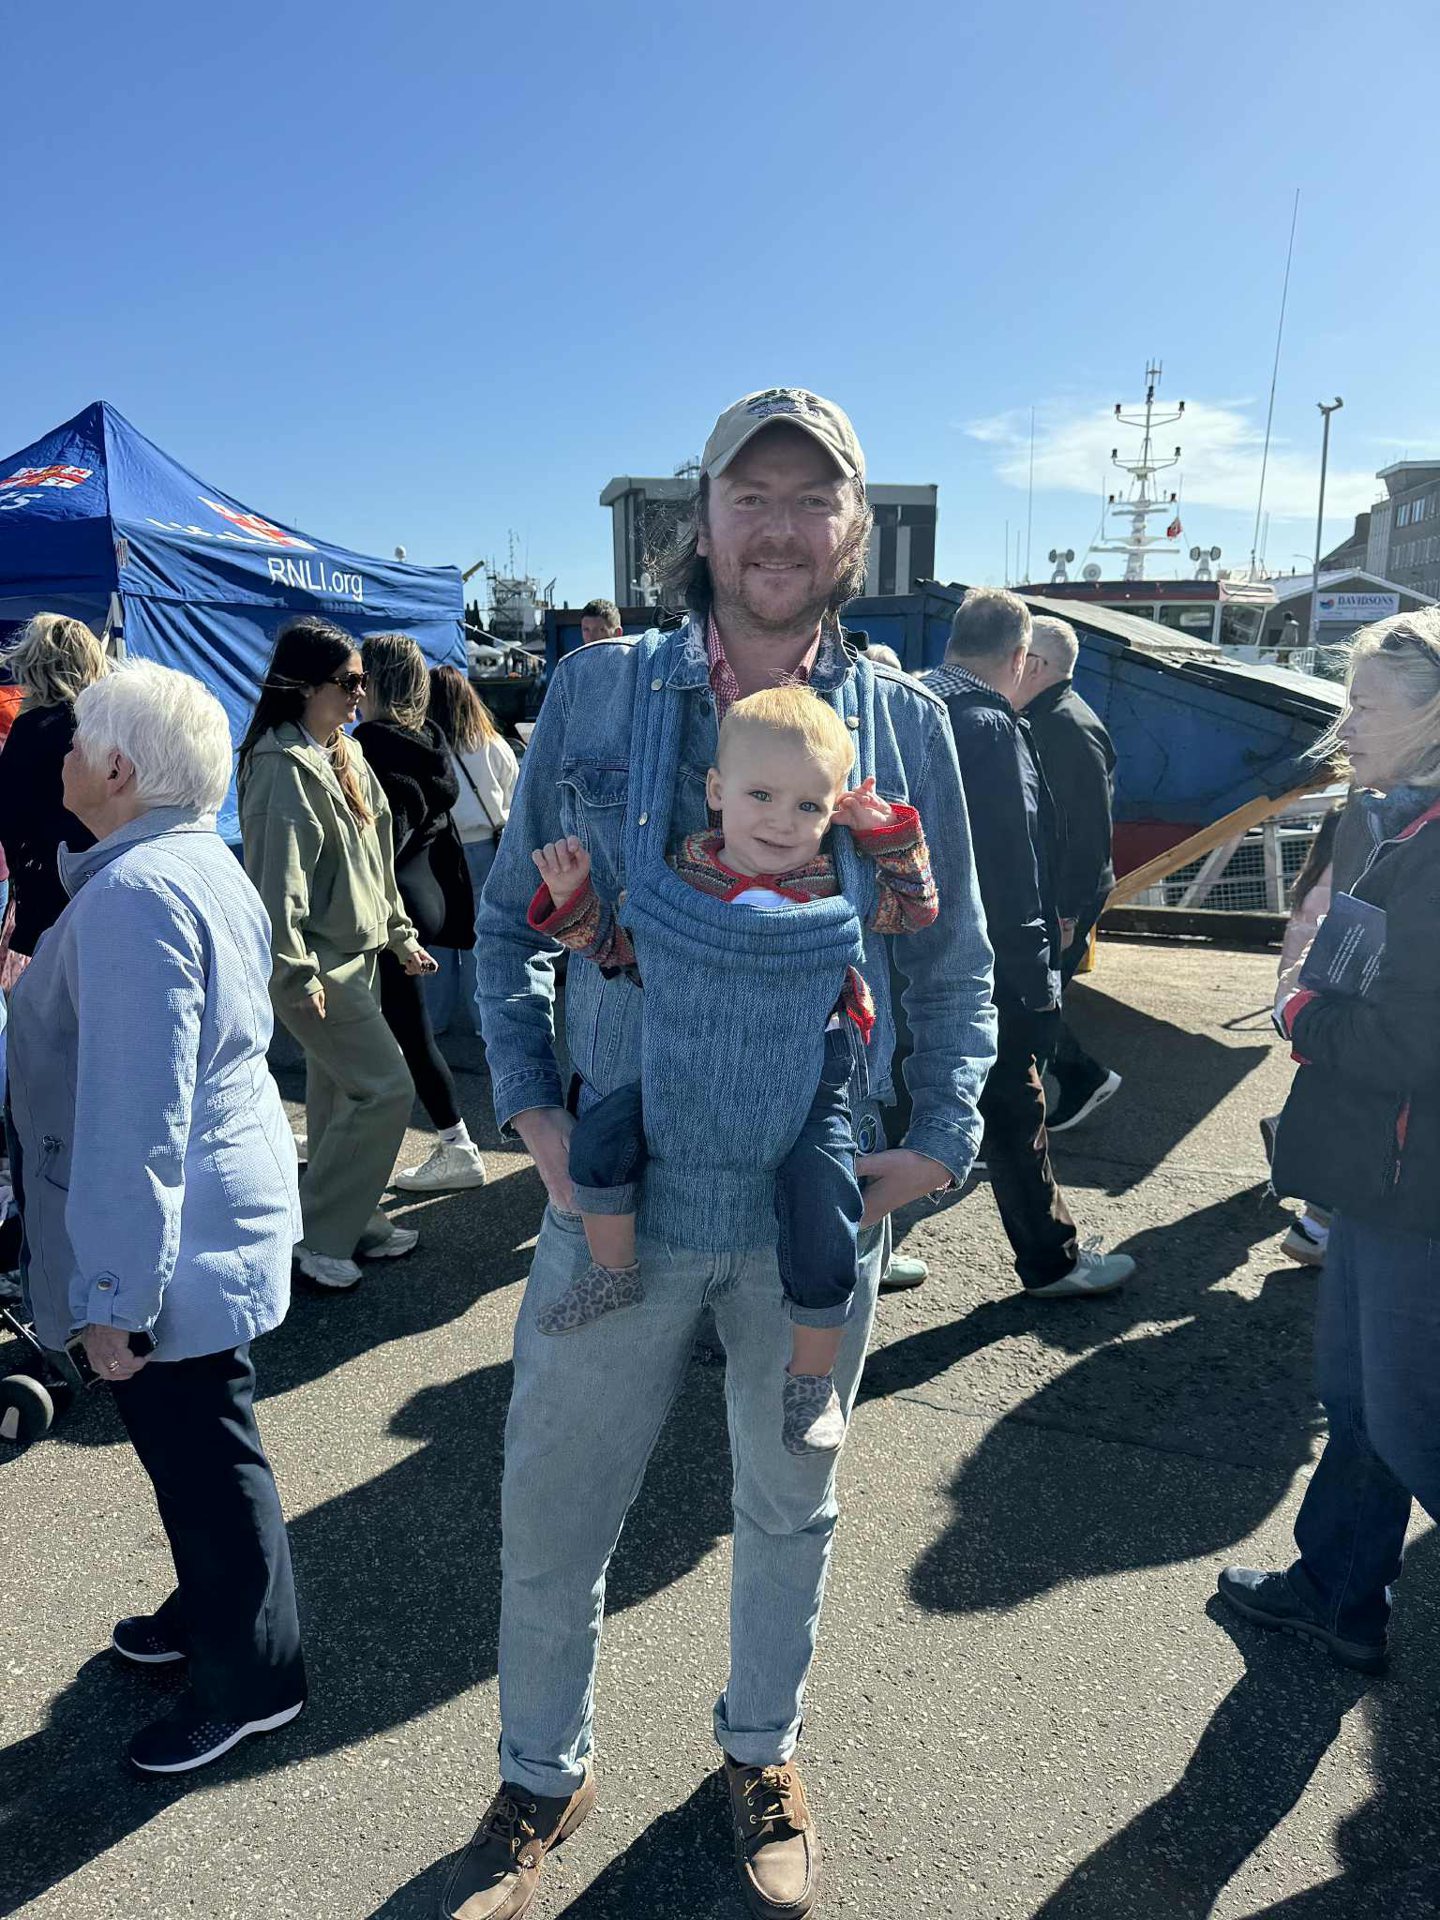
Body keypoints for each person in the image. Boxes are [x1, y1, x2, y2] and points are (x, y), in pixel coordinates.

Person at [447, 387, 996, 1920]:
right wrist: (538, 1119)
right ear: (703, 521)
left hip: (814, 1204)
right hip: (616, 1193)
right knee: (553, 1507)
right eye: (747, 493)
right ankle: (539, 1775)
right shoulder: (603, 696)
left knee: (790, 1504)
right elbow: (509, 931)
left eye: (809, 499)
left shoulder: (909, 725)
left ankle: (762, 1753)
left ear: (852, 532)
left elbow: (955, 962)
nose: (776, 524)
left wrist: (940, 1141)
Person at [8, 661, 306, 1772]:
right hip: (208, 1224)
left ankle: (254, 1678)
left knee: (208, 1460)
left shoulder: (135, 895)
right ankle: (213, 1614)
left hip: (169, 1251)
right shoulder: (190, 862)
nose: (64, 757)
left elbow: (134, 1112)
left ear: (122, 769)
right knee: (199, 1453)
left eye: (79, 742)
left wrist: (113, 1300)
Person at [527, 685, 938, 1456]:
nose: (784, 822)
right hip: (688, 1062)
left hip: (804, 1074)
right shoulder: (680, 876)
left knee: (826, 1212)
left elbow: (916, 909)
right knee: (600, 1140)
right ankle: (614, 1268)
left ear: (834, 811)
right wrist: (572, 896)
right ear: (715, 792)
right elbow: (616, 951)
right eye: (760, 795)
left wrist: (886, 834)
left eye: (811, 807)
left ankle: (811, 1379)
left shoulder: (837, 881)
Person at [1219, 609, 1440, 1674]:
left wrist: (1301, 1011)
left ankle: (1339, 1588)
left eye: (1363, 704)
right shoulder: (1400, 819)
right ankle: (1336, 1591)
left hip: (1417, 1184)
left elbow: (1410, 1040)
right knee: (1360, 1399)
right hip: (1382, 1172)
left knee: (1409, 1420)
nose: (1344, 723)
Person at [925, 587, 1135, 1300]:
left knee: (899, 1100)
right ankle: (1052, 1260)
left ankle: (861, 1242)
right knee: (1014, 1103)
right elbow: (1014, 864)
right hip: (978, 957)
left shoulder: (908, 703)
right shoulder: (991, 726)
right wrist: (1035, 974)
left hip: (905, 948)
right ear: (1019, 658)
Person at [238, 616, 433, 1292]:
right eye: (348, 682)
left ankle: (353, 1220)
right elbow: (274, 885)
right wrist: (294, 973)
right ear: (302, 685)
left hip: (358, 957)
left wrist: (401, 934)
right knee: (385, 1090)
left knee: (337, 1101)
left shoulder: (340, 753)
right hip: (320, 967)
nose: (360, 693)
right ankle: (323, 1238)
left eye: (362, 682)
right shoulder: (279, 768)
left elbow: (377, 860)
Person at [354, 635, 486, 1193]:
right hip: (428, 895)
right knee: (401, 1029)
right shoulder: (427, 738)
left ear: (378, 682)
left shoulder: (372, 745)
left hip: (394, 907)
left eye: (360, 678)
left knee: (399, 1033)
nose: (353, 689)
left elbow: (382, 838)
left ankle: (456, 1145)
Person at [1015, 614, 1123, 1133]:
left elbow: (1088, 833)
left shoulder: (1063, 726)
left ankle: (1082, 1076)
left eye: (1014, 657)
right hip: (1058, 894)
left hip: (1062, 898)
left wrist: (1066, 912)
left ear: (1033, 664)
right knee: (1034, 994)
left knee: (1034, 998)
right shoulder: (1055, 716)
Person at [1261, 801, 1343, 1268]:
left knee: (1317, 1093)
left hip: (1294, 1000)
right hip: (1322, 1006)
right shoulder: (1354, 876)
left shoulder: (1312, 878)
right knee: (1335, 1109)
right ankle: (1314, 1225)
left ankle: (1285, 1129)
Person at [0, 612, 109, 959]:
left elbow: (10, 813)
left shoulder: (33, 727)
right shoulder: (100, 727)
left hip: (46, 893)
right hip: (96, 887)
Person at [425, 663, 519, 1037]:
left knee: (438, 937)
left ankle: (435, 1019)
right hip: (486, 849)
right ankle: (484, 1023)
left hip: (438, 850)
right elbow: (513, 796)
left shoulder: (428, 746)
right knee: (482, 939)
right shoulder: (494, 744)